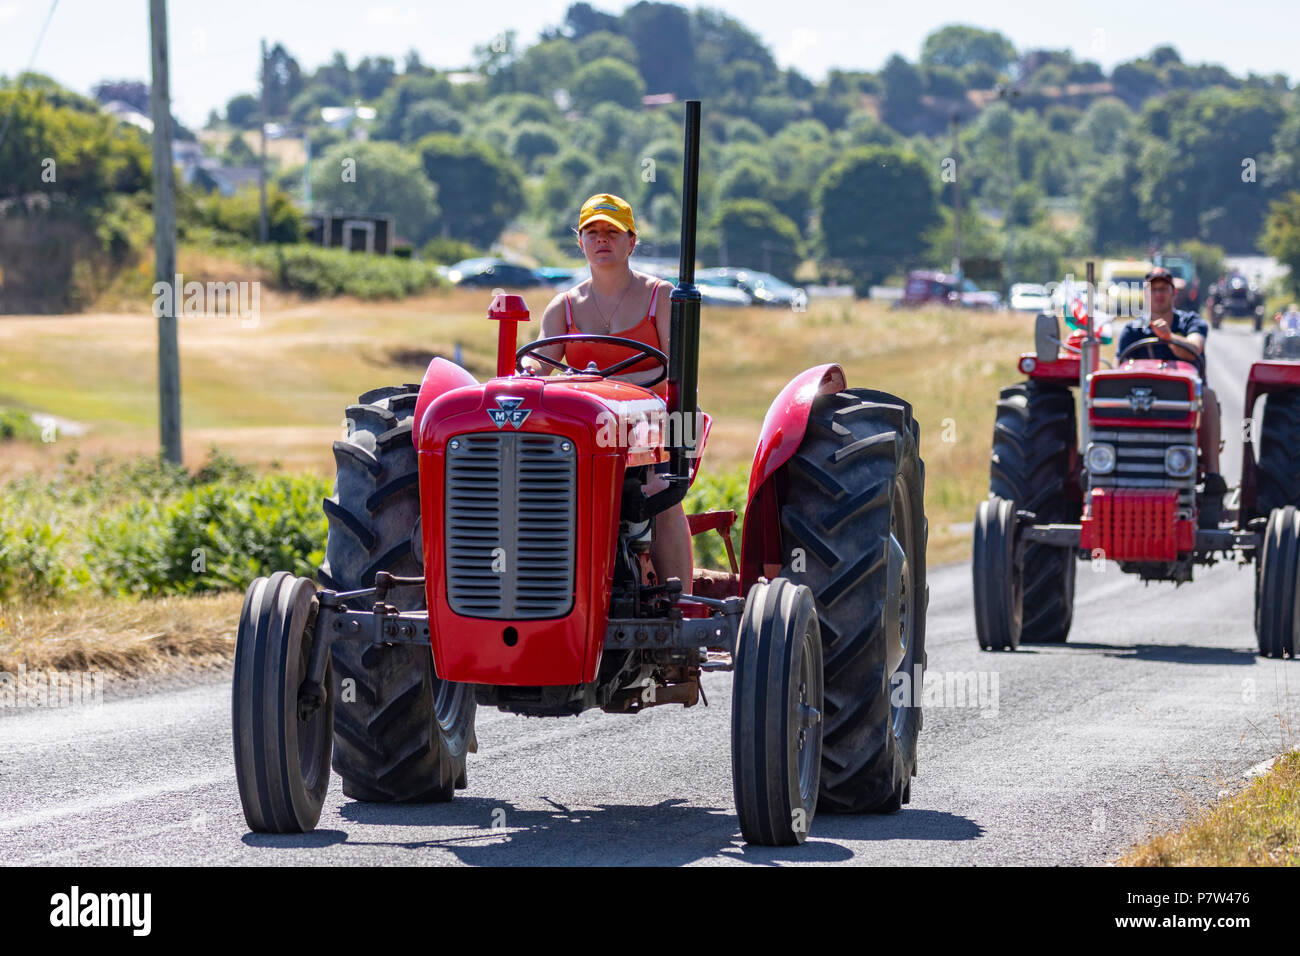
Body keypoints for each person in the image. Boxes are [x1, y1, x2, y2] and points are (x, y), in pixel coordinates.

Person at [526, 193, 693, 590]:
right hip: (587, 428)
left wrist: (615, 383)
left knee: (663, 496)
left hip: (651, 424)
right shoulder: (563, 307)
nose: (602, 240)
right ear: (580, 241)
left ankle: (679, 607)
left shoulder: (661, 296)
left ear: (631, 242)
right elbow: (537, 364)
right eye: (592, 232)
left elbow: (677, 371)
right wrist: (532, 371)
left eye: (612, 232)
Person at [1115, 266, 1225, 524]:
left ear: (1174, 294)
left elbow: (1195, 349)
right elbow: (1121, 370)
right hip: (1141, 406)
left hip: (1184, 407)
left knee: (1206, 395)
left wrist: (1169, 338)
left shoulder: (1191, 323)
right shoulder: (1132, 331)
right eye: (1152, 289)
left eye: (1163, 289)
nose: (1158, 294)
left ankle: (1212, 476)